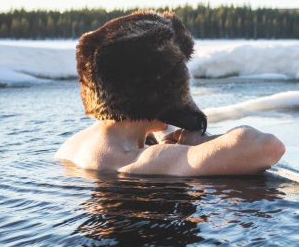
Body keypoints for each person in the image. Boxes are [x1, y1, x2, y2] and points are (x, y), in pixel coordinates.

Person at [56, 10, 285, 176]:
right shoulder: (139, 160)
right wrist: (197, 141)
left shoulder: (75, 145)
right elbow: (267, 146)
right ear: (159, 95)